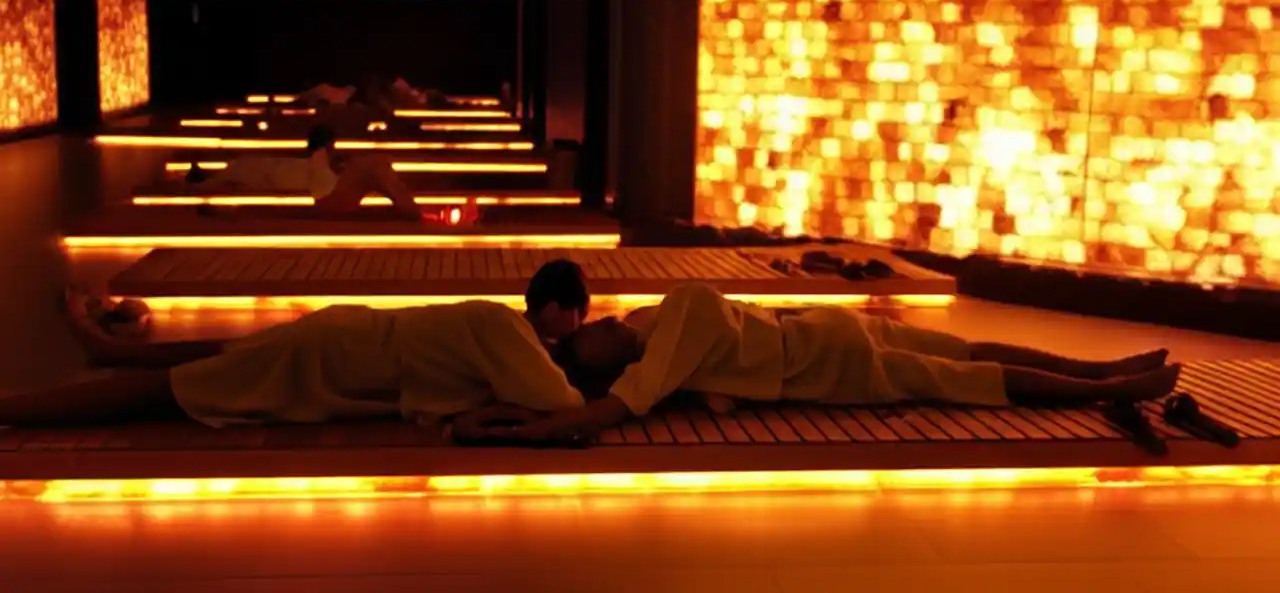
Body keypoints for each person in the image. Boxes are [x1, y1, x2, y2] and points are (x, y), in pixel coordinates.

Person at [500, 284, 1183, 442]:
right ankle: (1113, 388)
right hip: (838, 371)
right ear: (597, 368)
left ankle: (1101, 369)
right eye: (583, 344)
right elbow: (603, 414)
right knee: (971, 378)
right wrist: (521, 429)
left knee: (971, 350)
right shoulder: (654, 365)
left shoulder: (651, 326)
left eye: (584, 328)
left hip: (830, 331)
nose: (596, 328)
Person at [0, 261, 592, 428]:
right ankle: (13, 409)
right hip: (338, 358)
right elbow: (562, 404)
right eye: (580, 317)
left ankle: (111, 349)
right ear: (557, 310)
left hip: (342, 338)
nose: (582, 328)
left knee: (222, 358)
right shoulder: (512, 334)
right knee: (168, 393)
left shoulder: (501, 325)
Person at [187, 125, 467, 223]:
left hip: (328, 190)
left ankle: (415, 211)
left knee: (376, 165)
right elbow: (227, 187)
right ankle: (415, 212)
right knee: (374, 164)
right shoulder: (245, 166)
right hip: (327, 197)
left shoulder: (256, 164)